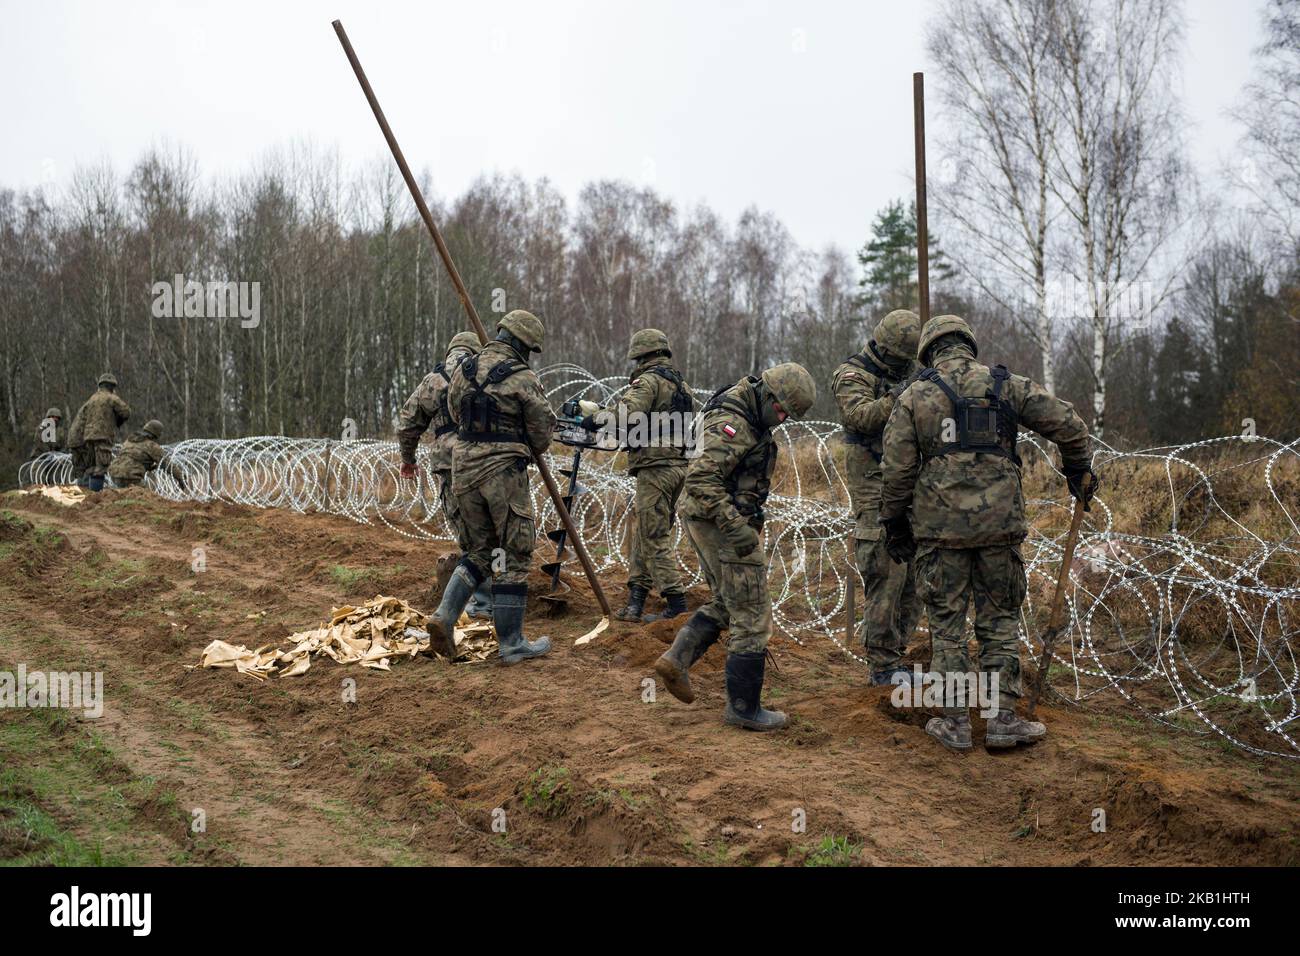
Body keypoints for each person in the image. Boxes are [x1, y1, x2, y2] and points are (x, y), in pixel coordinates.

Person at [879, 315, 1096, 751]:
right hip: (1000, 529)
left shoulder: (915, 396)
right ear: (968, 345)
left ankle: (955, 722)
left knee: (948, 626)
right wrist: (1077, 470)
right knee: (999, 622)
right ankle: (1002, 722)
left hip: (940, 534)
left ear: (928, 351)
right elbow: (1070, 426)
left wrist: (895, 523)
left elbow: (897, 471)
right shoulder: (1006, 385)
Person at [654, 362, 816, 732]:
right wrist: (736, 526)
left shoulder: (742, 406)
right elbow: (700, 477)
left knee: (728, 601)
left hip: (709, 518)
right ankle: (744, 708)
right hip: (721, 522)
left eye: (787, 416)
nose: (780, 419)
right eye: (779, 410)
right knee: (752, 611)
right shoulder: (736, 422)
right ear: (767, 393)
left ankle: (677, 659)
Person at [429, 310, 556, 665]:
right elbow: (542, 434)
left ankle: (444, 616)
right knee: (515, 555)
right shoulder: (522, 376)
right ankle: (512, 643)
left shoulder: (463, 369)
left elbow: (454, 412)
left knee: (479, 552)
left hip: (463, 468)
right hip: (502, 472)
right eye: (529, 348)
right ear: (521, 344)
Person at [831, 309, 924, 686]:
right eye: (899, 360)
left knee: (914, 576)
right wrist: (902, 396)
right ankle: (882, 663)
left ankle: (896, 653)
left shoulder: (908, 374)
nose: (903, 367)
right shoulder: (853, 375)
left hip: (909, 484)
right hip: (873, 489)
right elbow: (860, 417)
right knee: (886, 571)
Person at [581, 328, 698, 623]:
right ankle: (636, 600)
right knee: (646, 532)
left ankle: (677, 603)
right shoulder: (682, 386)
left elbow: (629, 414)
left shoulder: (648, 381)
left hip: (656, 468)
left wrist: (596, 418)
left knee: (653, 535)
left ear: (642, 355)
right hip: (677, 466)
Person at [396, 331, 492, 617]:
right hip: (487, 459)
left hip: (449, 462)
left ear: (450, 351)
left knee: (466, 528)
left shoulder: (433, 381)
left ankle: (483, 602)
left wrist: (408, 459)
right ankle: (499, 595)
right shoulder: (485, 377)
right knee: (492, 525)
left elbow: (407, 424)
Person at [68, 373, 130, 492]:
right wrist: (117, 421)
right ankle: (95, 498)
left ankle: (87, 495)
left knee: (91, 467)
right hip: (103, 435)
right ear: (112, 387)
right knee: (101, 467)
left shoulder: (91, 399)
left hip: (88, 437)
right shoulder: (111, 398)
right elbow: (126, 411)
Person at [108, 419, 184, 488]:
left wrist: (147, 466)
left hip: (114, 473)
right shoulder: (151, 446)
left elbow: (130, 458)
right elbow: (166, 464)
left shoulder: (129, 440)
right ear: (157, 433)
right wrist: (180, 477)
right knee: (147, 498)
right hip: (131, 476)